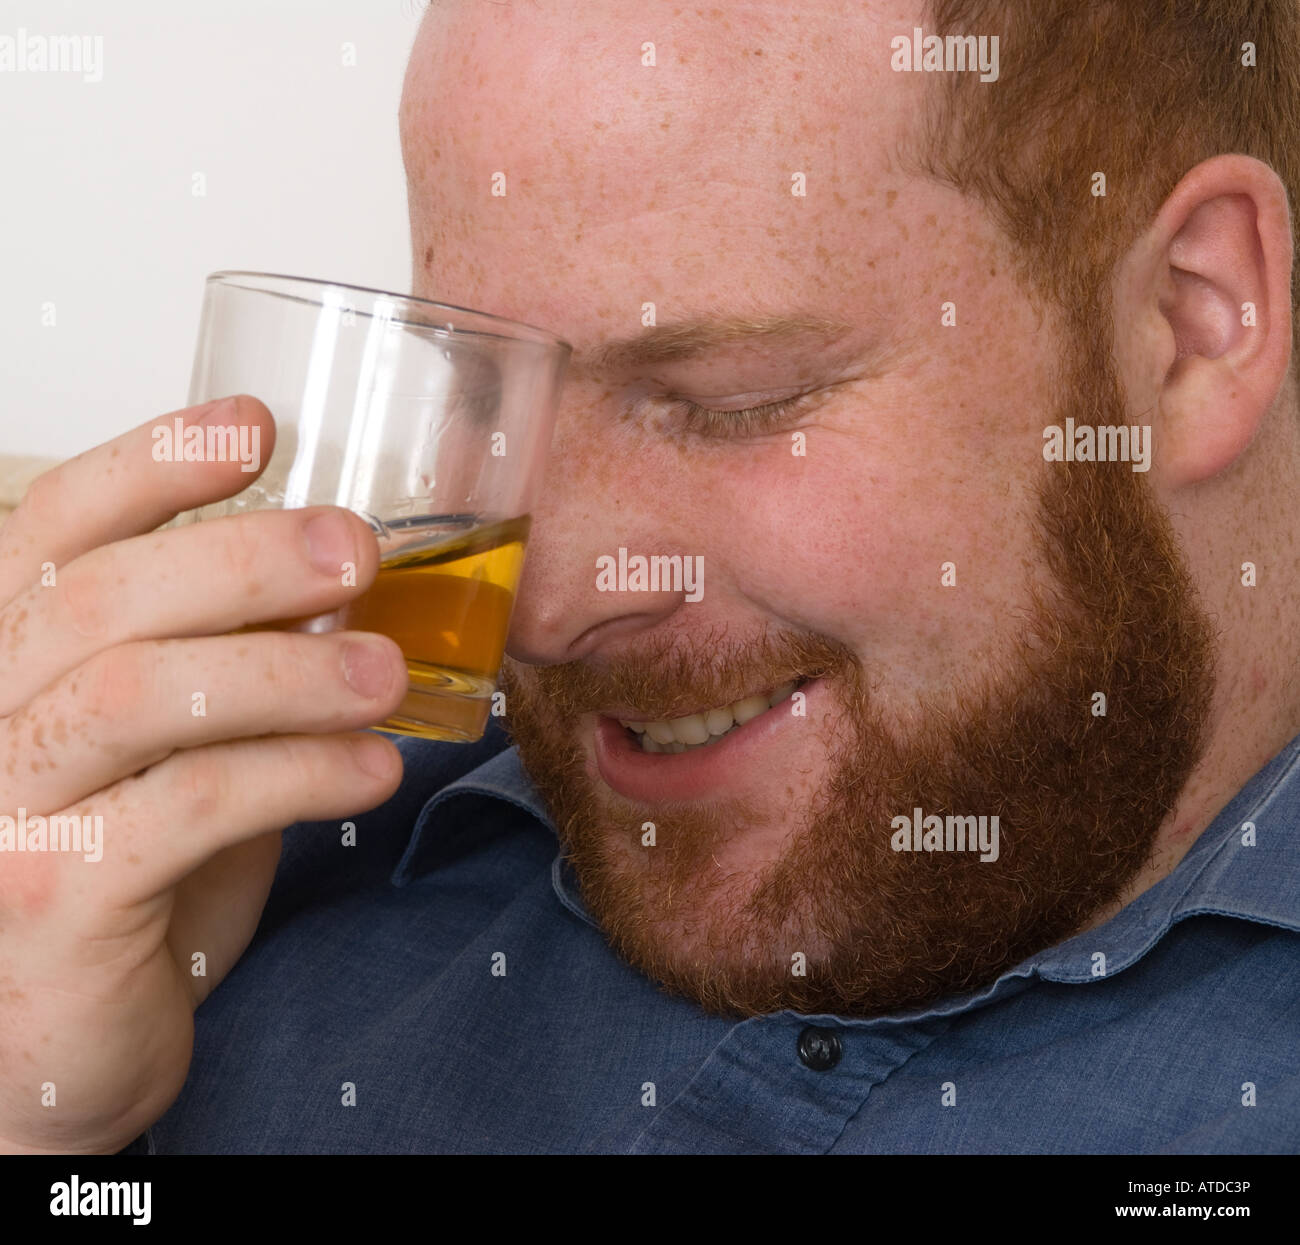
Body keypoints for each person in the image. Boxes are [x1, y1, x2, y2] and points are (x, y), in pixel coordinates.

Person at [2, 0, 1299, 1155]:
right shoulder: (199, 884)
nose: (547, 604)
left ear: (1193, 319)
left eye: (726, 400)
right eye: (486, 391)